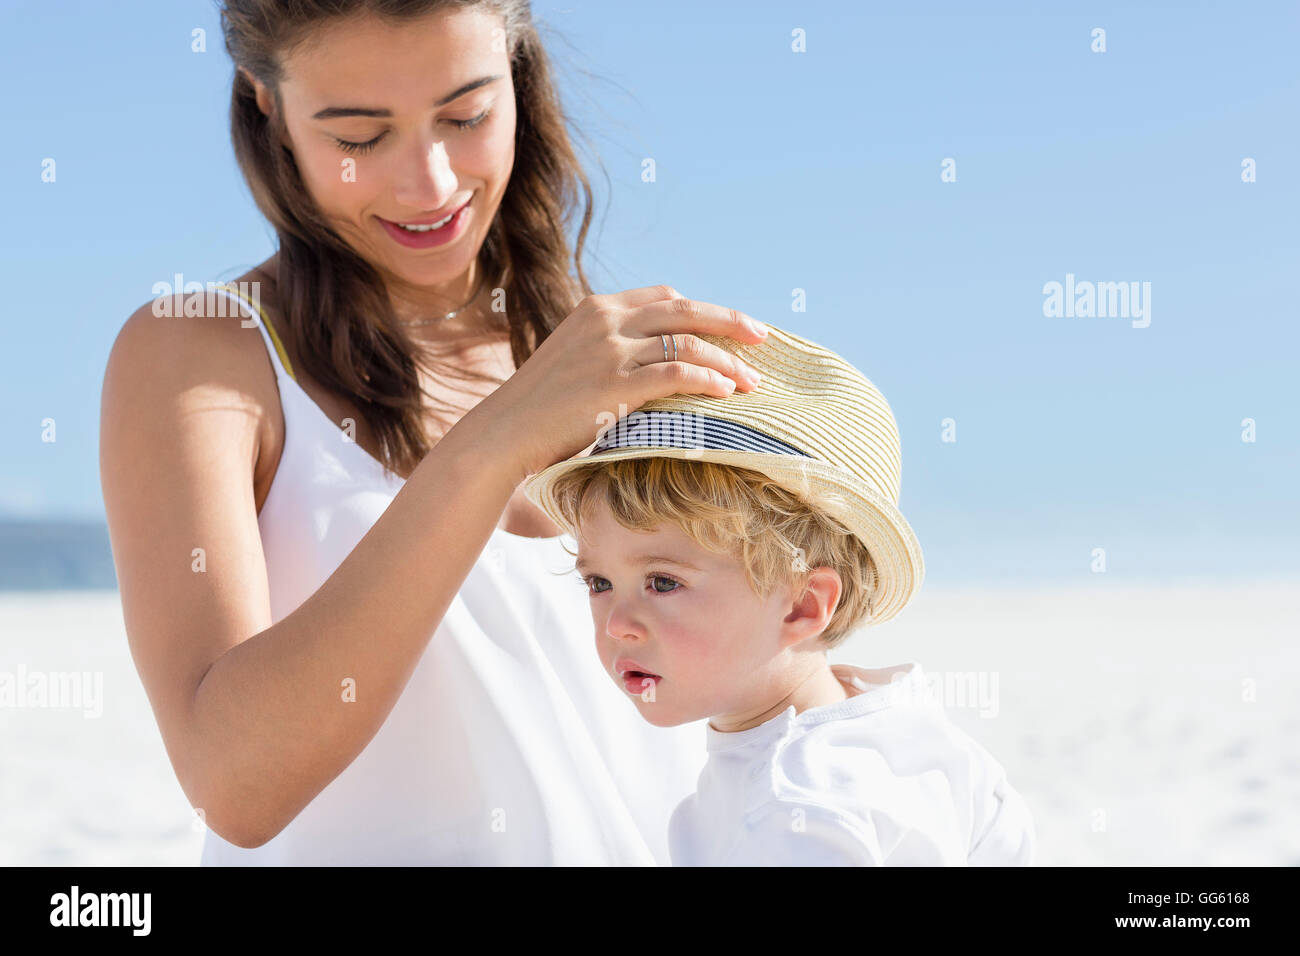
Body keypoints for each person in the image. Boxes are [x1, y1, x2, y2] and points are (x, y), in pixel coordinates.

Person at [98, 0, 769, 864]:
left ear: (519, 72)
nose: (432, 184)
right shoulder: (202, 355)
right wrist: (496, 443)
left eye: (467, 115)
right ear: (266, 101)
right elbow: (234, 782)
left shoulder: (598, 359)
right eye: (359, 137)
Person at [521, 324, 1038, 865]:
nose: (617, 624)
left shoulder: (794, 818)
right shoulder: (910, 733)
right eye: (599, 583)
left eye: (664, 582)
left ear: (803, 605)